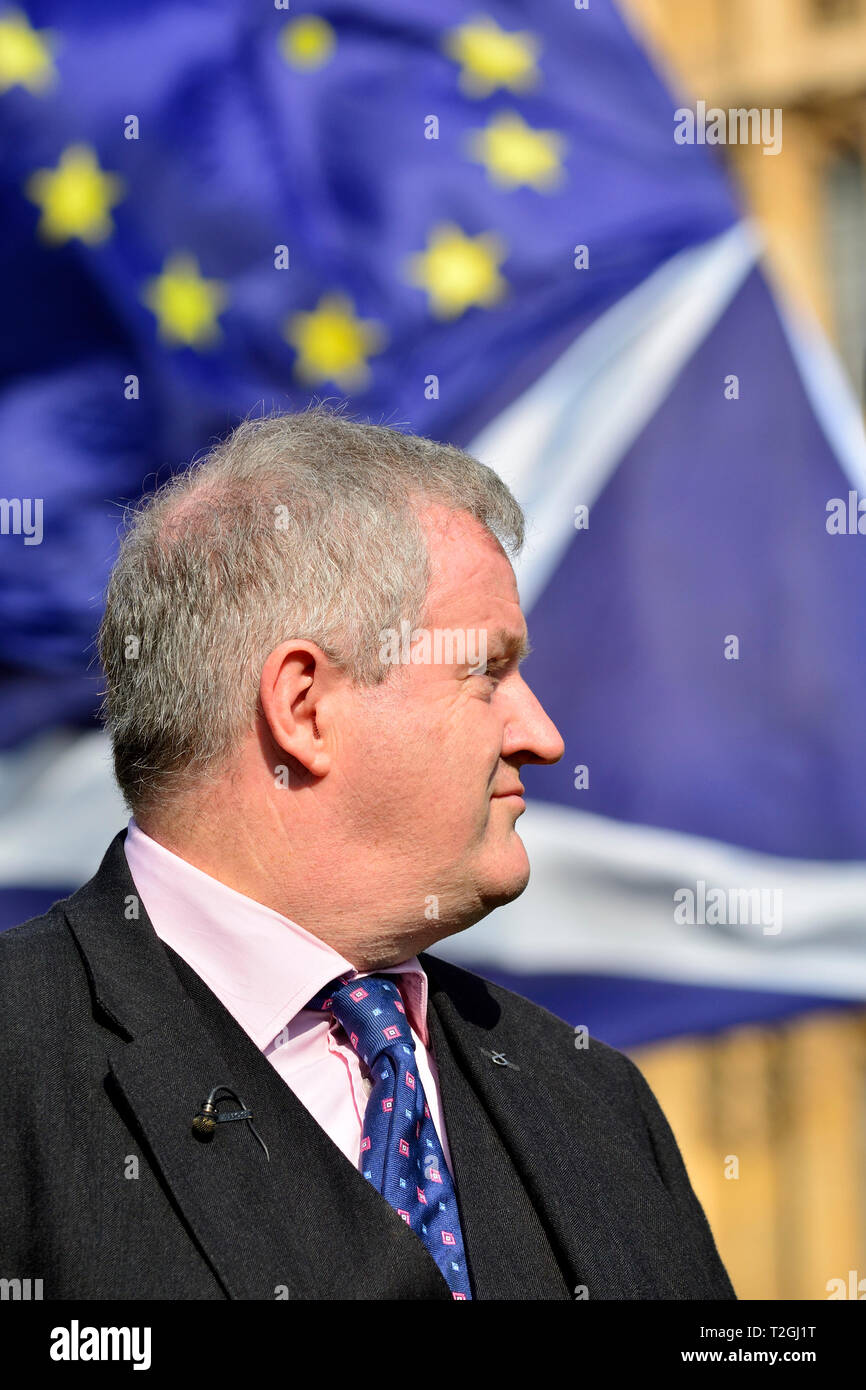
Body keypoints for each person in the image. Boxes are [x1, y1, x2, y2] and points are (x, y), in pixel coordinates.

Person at [0, 406, 735, 1300]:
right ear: (304, 706)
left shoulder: (595, 1103)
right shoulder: (21, 1067)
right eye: (487, 672)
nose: (541, 735)